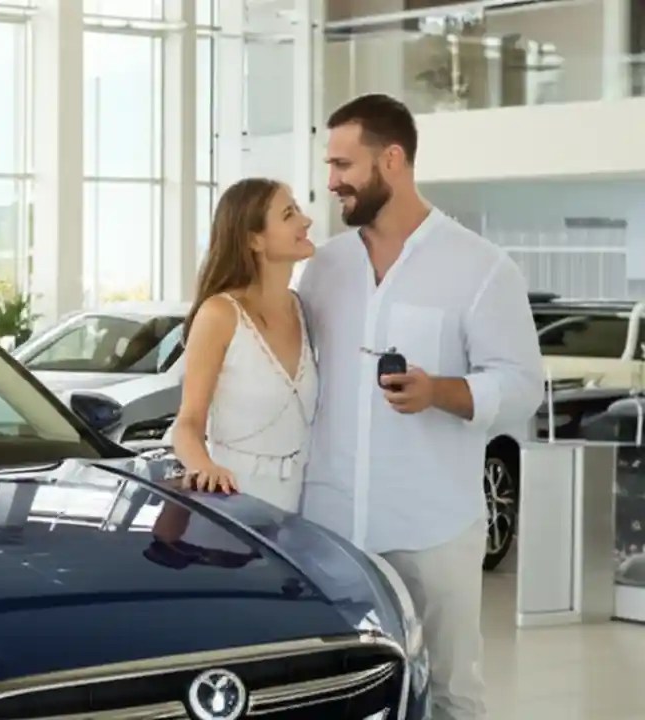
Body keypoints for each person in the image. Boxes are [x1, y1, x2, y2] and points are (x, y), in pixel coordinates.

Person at [296, 93, 544, 720]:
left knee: (451, 692)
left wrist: (441, 392)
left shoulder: (481, 268)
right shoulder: (324, 268)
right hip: (329, 528)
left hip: (433, 527)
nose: (331, 183)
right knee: (331, 689)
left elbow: (521, 386)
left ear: (393, 160)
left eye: (342, 165)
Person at [169, 177, 318, 514]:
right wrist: (203, 467)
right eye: (288, 214)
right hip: (235, 506)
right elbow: (187, 424)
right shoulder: (220, 314)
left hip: (300, 511)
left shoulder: (301, 308)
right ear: (254, 239)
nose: (305, 221)